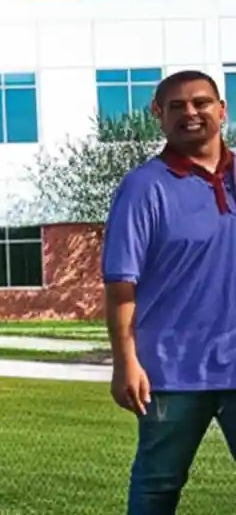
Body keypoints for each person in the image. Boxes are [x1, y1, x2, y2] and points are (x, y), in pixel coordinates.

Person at [102, 69, 236, 515]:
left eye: (201, 103)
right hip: (170, 372)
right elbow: (121, 285)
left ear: (222, 110)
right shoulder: (144, 188)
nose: (191, 113)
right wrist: (125, 362)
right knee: (157, 489)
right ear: (158, 115)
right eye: (176, 106)